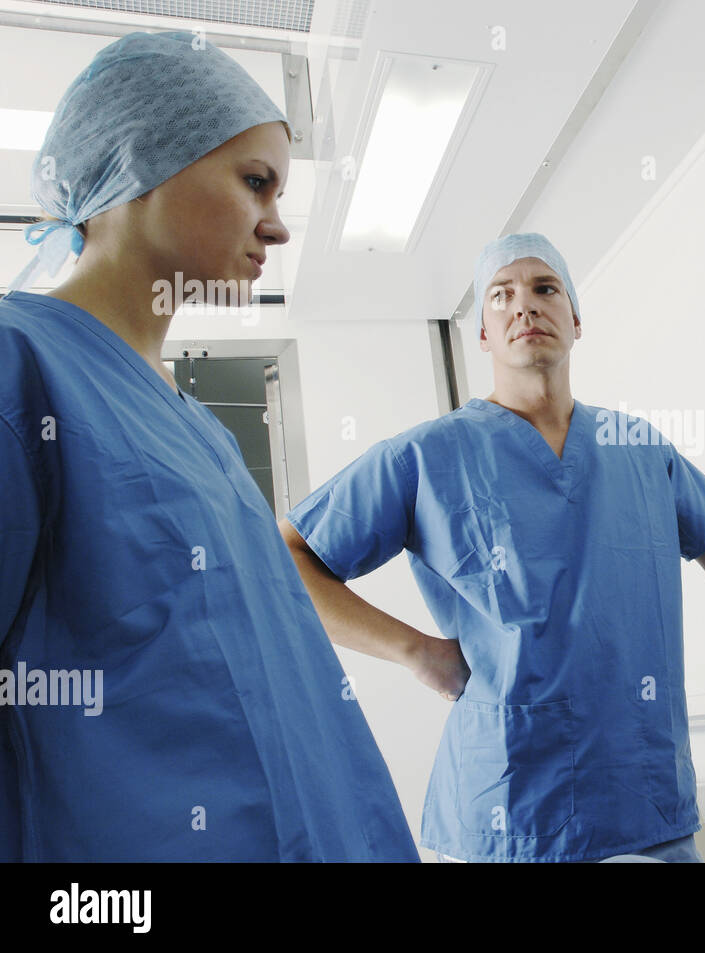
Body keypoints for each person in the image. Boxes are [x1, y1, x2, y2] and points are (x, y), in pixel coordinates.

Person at [279, 232, 705, 862]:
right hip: (509, 808)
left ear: (574, 319)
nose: (524, 306)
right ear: (483, 333)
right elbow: (288, 561)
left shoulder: (639, 449)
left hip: (643, 800)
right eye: (500, 296)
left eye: (545, 289)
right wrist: (415, 651)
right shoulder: (425, 456)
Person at [0, 31, 417, 861]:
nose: (279, 228)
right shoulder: (22, 365)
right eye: (255, 182)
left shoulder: (207, 435)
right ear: (138, 163)